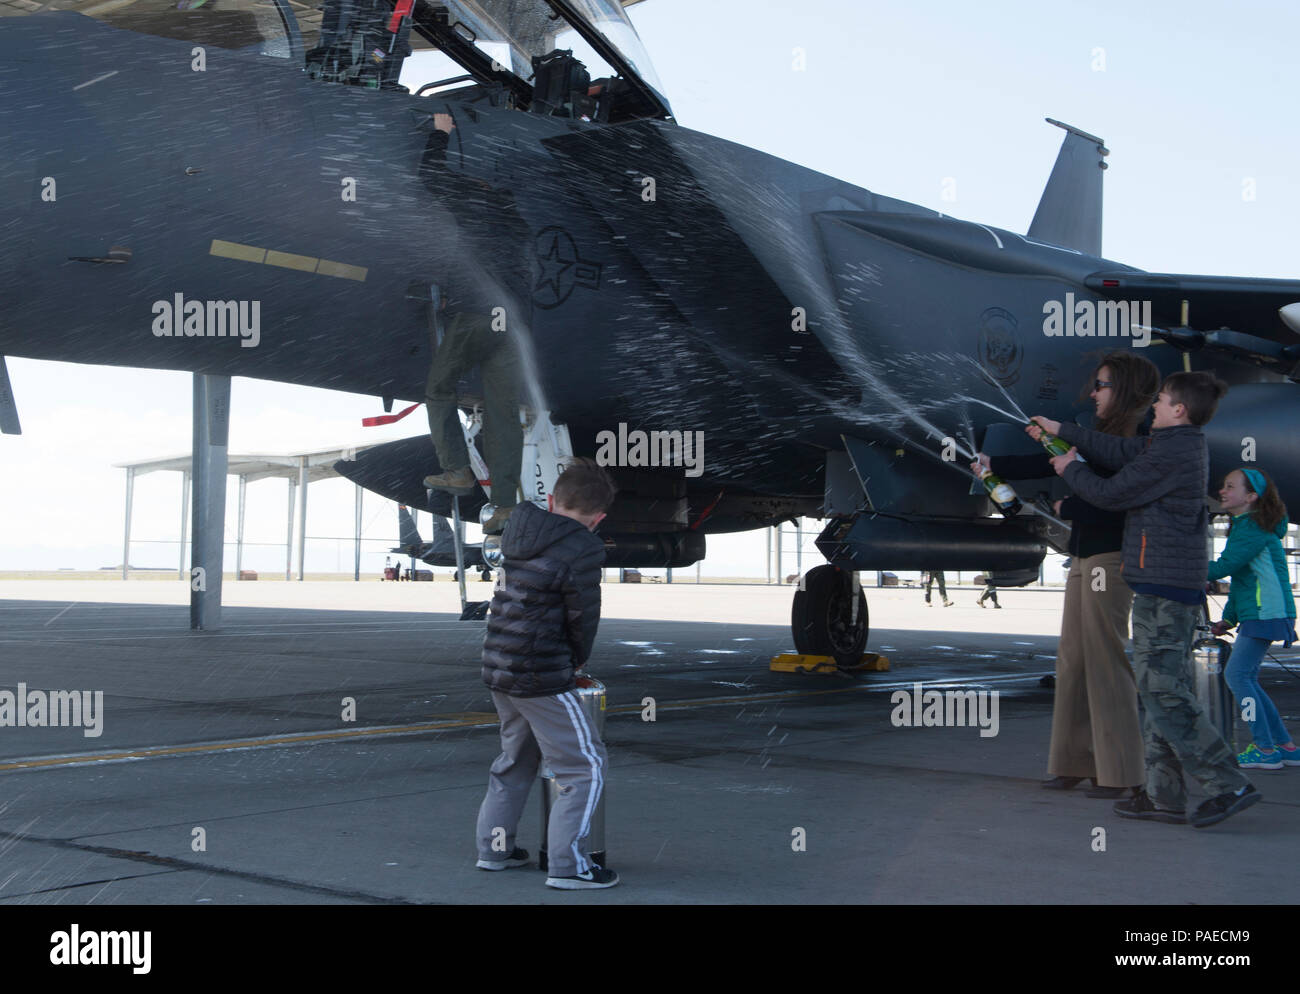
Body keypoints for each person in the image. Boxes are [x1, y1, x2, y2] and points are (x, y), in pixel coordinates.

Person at [1038, 370, 1262, 828]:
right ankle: (1164, 797)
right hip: (1159, 584)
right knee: (1161, 689)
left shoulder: (1170, 454)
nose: (1153, 406)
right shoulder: (1170, 446)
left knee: (1163, 691)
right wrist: (1061, 432)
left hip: (1164, 587)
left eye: (1160, 400)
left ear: (1179, 410)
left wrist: (1070, 468)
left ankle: (1228, 783)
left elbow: (1109, 492)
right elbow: (1118, 450)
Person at [975, 353, 1157, 798]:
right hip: (1083, 556)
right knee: (1073, 661)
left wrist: (1067, 506)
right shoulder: (1102, 435)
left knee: (1105, 662)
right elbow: (1046, 463)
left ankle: (1121, 771)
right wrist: (990, 462)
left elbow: (1113, 496)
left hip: (1110, 558)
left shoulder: (1137, 438)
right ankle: (1074, 762)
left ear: (1126, 389)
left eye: (1102, 385)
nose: (1093, 393)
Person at [474, 458, 620, 889]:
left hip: (499, 666)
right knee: (586, 767)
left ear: (553, 499)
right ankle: (569, 867)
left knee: (515, 760)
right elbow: (583, 617)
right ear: (600, 518)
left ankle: (495, 850)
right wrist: (577, 661)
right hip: (540, 674)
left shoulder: (518, 532)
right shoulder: (583, 547)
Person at [419, 112, 527, 535]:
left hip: (477, 315)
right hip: (514, 325)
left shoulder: (474, 201)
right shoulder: (515, 219)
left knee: (438, 388)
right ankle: (504, 507)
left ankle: (457, 470)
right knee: (503, 415)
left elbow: (430, 177)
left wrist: (439, 133)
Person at [1207, 467, 1298, 769]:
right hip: (1263, 612)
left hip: (1265, 613)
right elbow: (1243, 580)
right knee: (1247, 678)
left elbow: (1223, 567)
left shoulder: (1251, 528)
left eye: (1230, 486)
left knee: (1237, 677)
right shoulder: (1249, 526)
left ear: (1250, 497)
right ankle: (1282, 745)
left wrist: (1178, 566)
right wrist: (1229, 620)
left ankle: (1264, 749)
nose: (1222, 490)